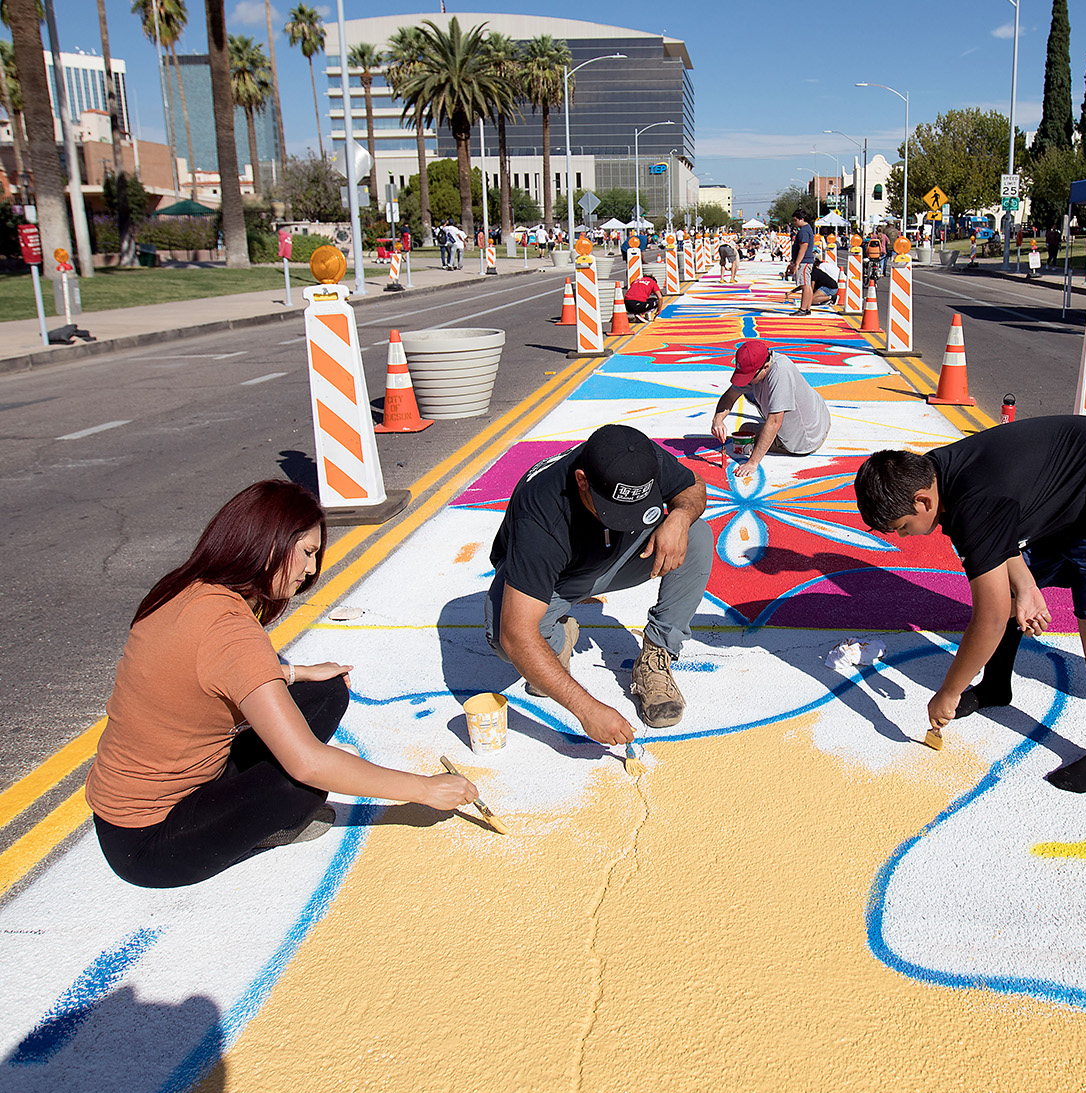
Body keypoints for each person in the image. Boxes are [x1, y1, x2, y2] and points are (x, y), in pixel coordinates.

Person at [84, 481, 476, 889]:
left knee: (326, 691)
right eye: (307, 552)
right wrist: (424, 789)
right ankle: (260, 830)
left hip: (153, 794)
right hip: (148, 842)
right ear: (267, 542)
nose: (310, 570)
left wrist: (298, 672)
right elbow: (307, 762)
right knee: (303, 786)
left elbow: (207, 673)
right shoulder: (232, 634)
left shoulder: (186, 590)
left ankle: (243, 808)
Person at [854, 416, 1086, 794]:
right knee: (1012, 585)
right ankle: (996, 687)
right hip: (1071, 478)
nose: (901, 536)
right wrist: (1027, 585)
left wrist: (948, 692)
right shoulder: (931, 474)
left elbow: (992, 616)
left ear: (922, 501)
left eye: (900, 526)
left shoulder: (969, 503)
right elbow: (998, 535)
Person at [485, 425, 712, 736]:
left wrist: (680, 517)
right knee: (503, 635)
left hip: (616, 557)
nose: (625, 519)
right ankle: (559, 639)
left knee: (696, 534)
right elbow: (516, 635)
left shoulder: (636, 458)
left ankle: (657, 653)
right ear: (582, 482)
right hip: (561, 580)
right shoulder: (540, 516)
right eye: (613, 511)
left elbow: (693, 485)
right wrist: (586, 709)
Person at [711, 340, 832, 478]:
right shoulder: (764, 364)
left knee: (746, 434)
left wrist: (752, 462)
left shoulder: (780, 372)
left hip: (805, 441)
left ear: (766, 367)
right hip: (818, 415)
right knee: (746, 428)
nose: (747, 381)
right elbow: (730, 396)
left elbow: (774, 422)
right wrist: (718, 420)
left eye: (750, 377)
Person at [785, 210, 816, 315]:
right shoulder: (807, 229)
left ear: (801, 219)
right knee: (806, 284)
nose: (794, 223)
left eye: (795, 220)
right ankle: (807, 308)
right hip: (806, 260)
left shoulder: (803, 230)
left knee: (804, 285)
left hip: (804, 261)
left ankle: (803, 308)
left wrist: (797, 262)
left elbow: (803, 246)